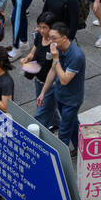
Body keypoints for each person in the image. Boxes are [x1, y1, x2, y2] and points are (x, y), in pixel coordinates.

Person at [36, 22, 85, 155]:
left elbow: (64, 80)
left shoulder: (76, 56)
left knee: (63, 133)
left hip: (71, 100)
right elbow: (53, 71)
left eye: (54, 38)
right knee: (73, 124)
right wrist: (43, 92)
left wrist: (56, 58)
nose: (51, 41)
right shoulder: (57, 48)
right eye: (50, 37)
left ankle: (59, 164)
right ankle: (81, 148)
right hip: (60, 96)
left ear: (64, 38)